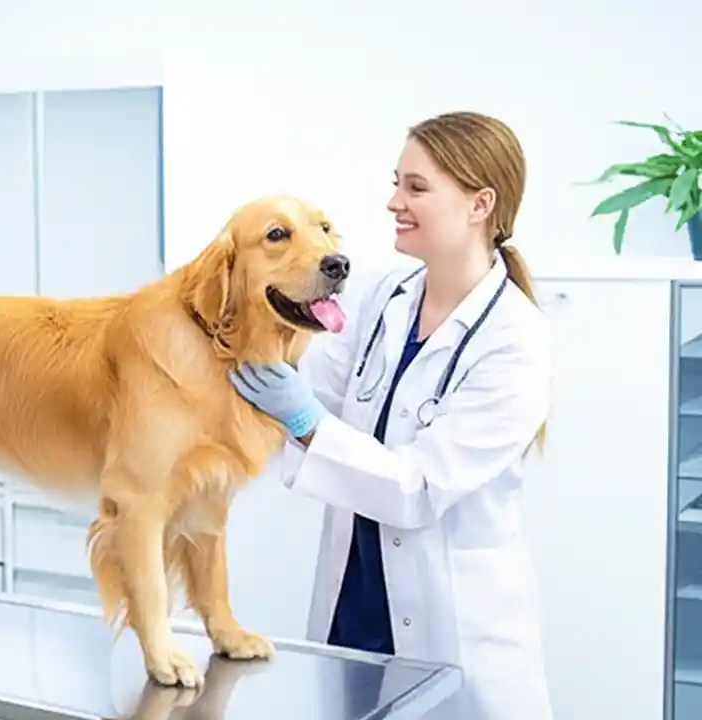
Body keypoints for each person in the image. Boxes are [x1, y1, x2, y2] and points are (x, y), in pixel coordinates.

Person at [229, 111, 553, 719]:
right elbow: (314, 401)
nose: (393, 201)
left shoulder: (516, 341)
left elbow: (416, 488)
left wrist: (302, 420)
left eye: (416, 188)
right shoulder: (382, 298)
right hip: (353, 617)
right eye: (396, 182)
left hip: (457, 641)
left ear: (480, 204)